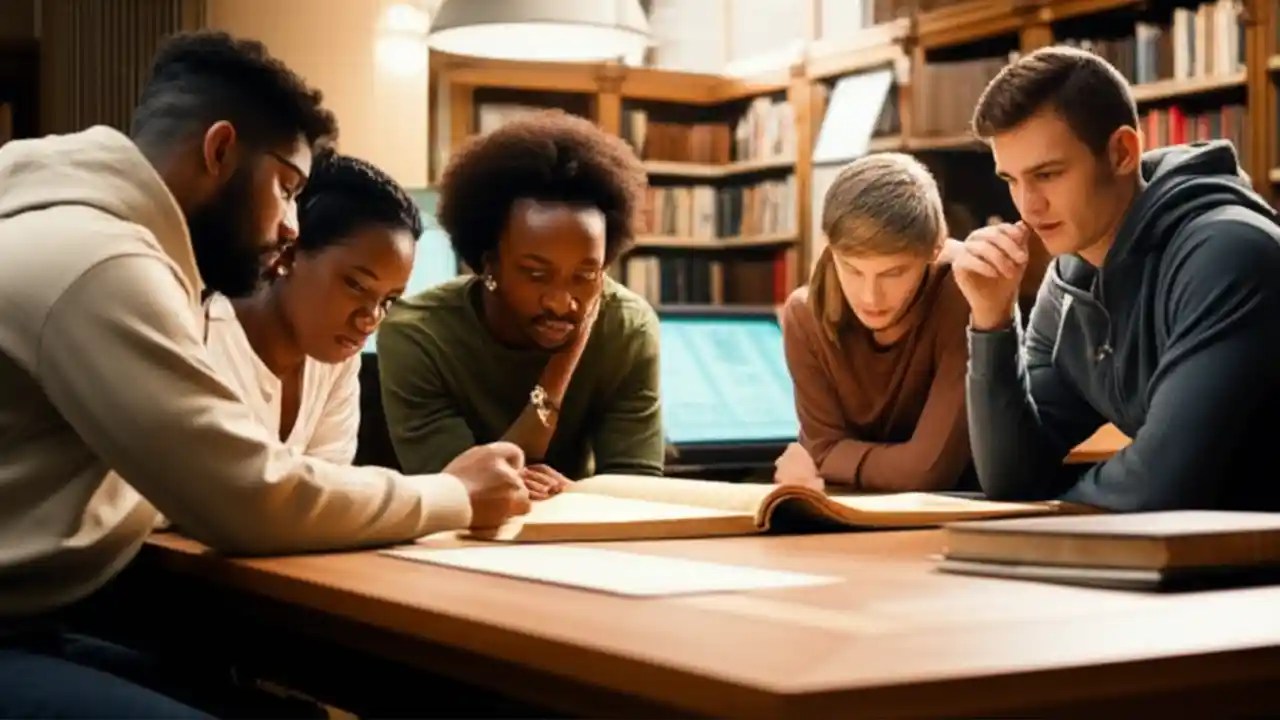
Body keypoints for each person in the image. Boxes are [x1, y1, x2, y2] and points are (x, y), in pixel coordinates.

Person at [0, 31, 527, 717]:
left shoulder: (70, 230)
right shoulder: (100, 262)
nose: (288, 226)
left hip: (33, 623)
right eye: (287, 188)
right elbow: (245, 499)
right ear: (219, 150)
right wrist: (452, 495)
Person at [956, 45, 1280, 511]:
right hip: (1195, 561)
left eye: (1047, 174)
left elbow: (1160, 482)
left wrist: (1045, 519)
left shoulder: (1229, 253)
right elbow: (1012, 477)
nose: (1026, 205)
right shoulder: (1069, 276)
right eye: (1010, 179)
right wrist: (991, 321)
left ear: (1122, 152)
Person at [377, 109, 664, 498]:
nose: (563, 302)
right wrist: (561, 368)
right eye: (536, 274)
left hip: (581, 546)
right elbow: (467, 494)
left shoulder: (627, 326)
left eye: (585, 275)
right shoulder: (417, 334)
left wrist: (574, 497)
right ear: (487, 261)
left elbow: (638, 488)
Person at [773, 153, 975, 492]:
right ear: (830, 249)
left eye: (893, 273)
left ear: (934, 251)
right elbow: (821, 450)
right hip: (851, 517)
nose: (870, 296)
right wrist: (826, 456)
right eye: (852, 269)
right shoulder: (804, 315)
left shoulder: (965, 289)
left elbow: (929, 470)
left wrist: (833, 459)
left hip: (961, 516)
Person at [204, 152, 420, 463]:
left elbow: (330, 491)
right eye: (356, 285)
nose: (370, 318)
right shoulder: (206, 340)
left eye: (389, 300)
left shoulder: (335, 358)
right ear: (289, 252)